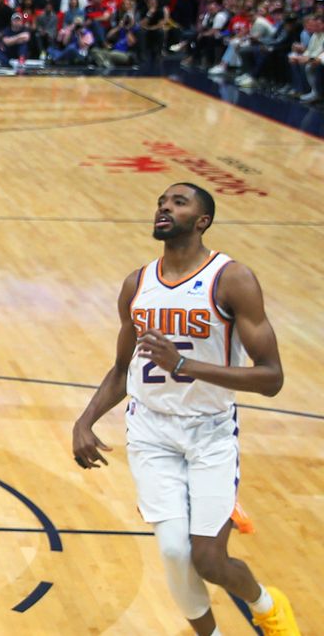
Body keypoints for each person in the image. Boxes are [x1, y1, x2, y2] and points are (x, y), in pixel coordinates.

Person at [71, 183, 299, 636]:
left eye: (178, 202)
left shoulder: (232, 279)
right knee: (175, 552)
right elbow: (123, 368)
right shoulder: (137, 284)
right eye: (160, 201)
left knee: (209, 559)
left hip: (210, 431)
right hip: (151, 431)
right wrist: (85, 419)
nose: (164, 207)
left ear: (202, 221)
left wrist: (185, 365)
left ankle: (269, 607)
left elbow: (271, 378)